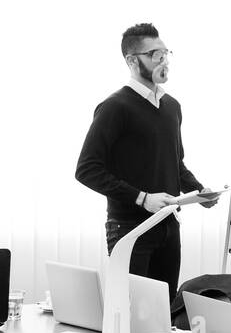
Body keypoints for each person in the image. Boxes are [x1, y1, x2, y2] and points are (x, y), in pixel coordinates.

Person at [75, 22, 220, 299]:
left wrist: (200, 191)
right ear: (132, 61)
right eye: (155, 54)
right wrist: (142, 198)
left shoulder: (172, 107)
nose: (164, 61)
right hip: (130, 229)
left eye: (166, 53)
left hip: (167, 226)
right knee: (130, 316)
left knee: (162, 315)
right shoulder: (114, 108)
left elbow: (175, 164)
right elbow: (86, 169)